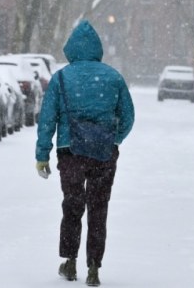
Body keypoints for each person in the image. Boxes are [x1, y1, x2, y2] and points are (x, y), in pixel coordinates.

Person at [36, 20, 135, 287]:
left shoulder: (61, 78)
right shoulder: (113, 77)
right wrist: (114, 139)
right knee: (98, 208)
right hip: (103, 153)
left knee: (72, 205)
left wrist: (42, 154)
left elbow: (47, 119)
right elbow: (128, 116)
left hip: (70, 152)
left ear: (71, 48)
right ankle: (93, 266)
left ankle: (69, 261)